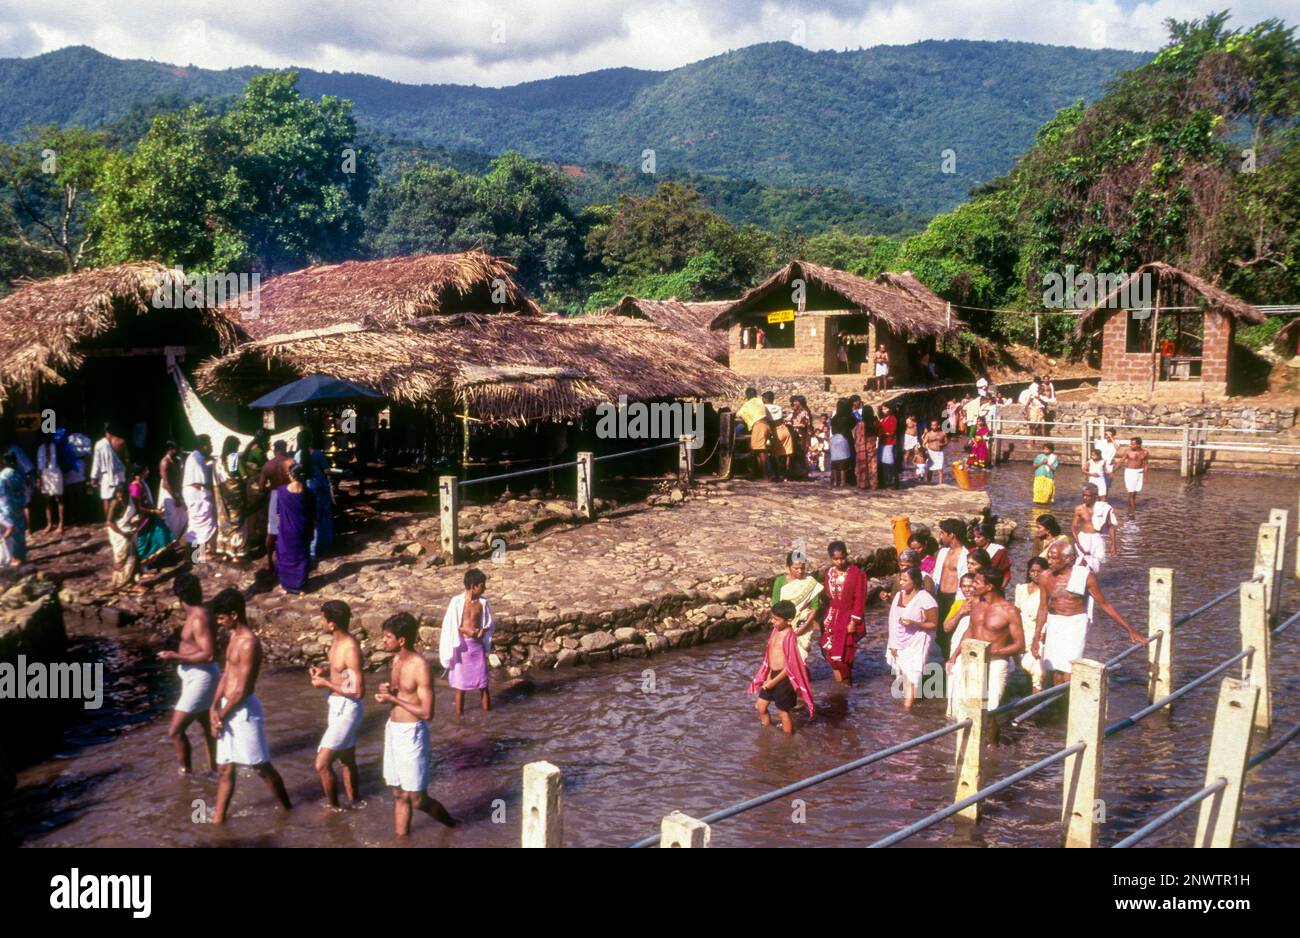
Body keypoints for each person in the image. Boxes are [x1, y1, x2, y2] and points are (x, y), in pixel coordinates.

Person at [208, 589, 292, 823]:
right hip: (226, 707)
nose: (219, 622)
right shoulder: (233, 637)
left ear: (234, 615)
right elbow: (226, 675)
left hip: (244, 710)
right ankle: (218, 820)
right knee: (225, 768)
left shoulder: (249, 643)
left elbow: (243, 689)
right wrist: (213, 706)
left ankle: (288, 809)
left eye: (222, 617)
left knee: (260, 767)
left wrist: (221, 715)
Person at [376, 612, 457, 836]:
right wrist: (389, 692)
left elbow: (427, 713)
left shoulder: (419, 666)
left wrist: (393, 698)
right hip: (392, 730)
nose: (383, 641)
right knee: (398, 795)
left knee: (417, 799)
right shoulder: (396, 660)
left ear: (401, 640)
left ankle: (453, 826)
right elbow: (404, 694)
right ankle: (402, 841)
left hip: (412, 734)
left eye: (387, 637)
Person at [1034, 541, 1146, 687]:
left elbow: (1104, 604)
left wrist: (1130, 630)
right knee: (1056, 671)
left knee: (1070, 669)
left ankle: (1072, 702)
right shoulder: (1045, 577)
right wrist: (1036, 638)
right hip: (1055, 624)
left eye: (1054, 558)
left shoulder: (1085, 576)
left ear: (1067, 559)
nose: (1049, 562)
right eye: (1049, 557)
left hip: (1075, 625)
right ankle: (1060, 704)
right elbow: (1043, 608)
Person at [158, 574, 219, 774]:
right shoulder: (198, 613)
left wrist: (175, 655)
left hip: (201, 677)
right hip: (195, 676)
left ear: (178, 595)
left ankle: (186, 773)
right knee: (207, 728)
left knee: (175, 731)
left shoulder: (199, 616)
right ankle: (215, 771)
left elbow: (209, 654)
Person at [309, 600, 363, 808]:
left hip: (348, 709)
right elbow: (342, 674)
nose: (320, 621)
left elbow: (358, 691)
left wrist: (325, 683)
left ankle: (334, 809)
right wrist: (324, 673)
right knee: (346, 759)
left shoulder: (350, 648)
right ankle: (355, 803)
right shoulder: (336, 641)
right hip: (336, 705)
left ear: (332, 624)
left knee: (321, 764)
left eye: (322, 618)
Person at [959, 569, 1026, 736]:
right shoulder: (976, 605)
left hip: (996, 663)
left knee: (990, 710)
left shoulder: (1009, 610)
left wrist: (996, 651)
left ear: (989, 586)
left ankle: (993, 749)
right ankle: (971, 746)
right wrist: (955, 656)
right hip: (974, 662)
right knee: (969, 706)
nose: (973, 585)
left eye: (977, 582)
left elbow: (1020, 645)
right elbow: (969, 631)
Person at [749, 600, 815, 734]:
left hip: (783, 679)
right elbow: (770, 656)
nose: (772, 622)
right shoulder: (775, 631)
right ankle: (766, 732)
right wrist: (768, 677)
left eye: (776, 619)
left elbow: (790, 667)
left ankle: (787, 740)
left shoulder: (789, 637)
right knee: (760, 707)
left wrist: (772, 682)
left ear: (789, 621)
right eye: (772, 618)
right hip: (772, 675)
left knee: (783, 712)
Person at [439, 568, 495, 715]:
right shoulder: (456, 602)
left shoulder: (483, 603)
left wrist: (483, 631)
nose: (484, 588)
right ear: (473, 586)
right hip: (462, 647)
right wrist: (466, 631)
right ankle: (459, 718)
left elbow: (489, 623)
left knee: (484, 684)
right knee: (460, 687)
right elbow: (451, 625)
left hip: (477, 647)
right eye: (482, 585)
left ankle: (488, 716)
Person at [886, 567, 939, 711]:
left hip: (918, 640)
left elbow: (934, 624)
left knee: (913, 674)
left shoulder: (926, 599)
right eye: (900, 579)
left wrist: (915, 623)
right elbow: (892, 620)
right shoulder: (898, 596)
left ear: (915, 581)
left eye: (905, 580)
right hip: (900, 641)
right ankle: (908, 707)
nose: (901, 583)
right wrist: (893, 644)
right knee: (905, 674)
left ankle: (907, 710)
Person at [821, 540, 866, 684]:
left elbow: (860, 599)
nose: (839, 561)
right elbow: (826, 597)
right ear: (831, 558)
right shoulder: (828, 573)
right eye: (835, 559)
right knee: (831, 653)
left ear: (846, 555)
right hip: (832, 617)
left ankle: (846, 685)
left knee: (844, 656)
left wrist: (854, 621)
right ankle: (839, 686)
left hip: (847, 617)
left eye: (842, 558)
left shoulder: (857, 574)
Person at [771, 550, 824, 664]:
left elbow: (815, 607)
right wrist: (784, 624)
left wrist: (804, 626)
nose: (800, 571)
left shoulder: (810, 582)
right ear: (788, 567)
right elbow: (775, 605)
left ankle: (800, 679)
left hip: (803, 623)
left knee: (801, 658)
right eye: (796, 568)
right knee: (782, 657)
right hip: (783, 624)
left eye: (802, 568)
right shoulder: (780, 582)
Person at [275, 464, 316, 595]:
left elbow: (278, 512)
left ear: (291, 475)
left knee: (285, 555)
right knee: (302, 556)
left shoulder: (281, 491)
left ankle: (286, 585)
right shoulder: (308, 492)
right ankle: (300, 587)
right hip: (303, 527)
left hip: (286, 528)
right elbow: (313, 514)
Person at [943, 572, 979, 719]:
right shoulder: (958, 604)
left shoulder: (982, 604)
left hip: (975, 648)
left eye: (970, 586)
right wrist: (961, 612)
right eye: (964, 586)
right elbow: (946, 627)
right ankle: (954, 717)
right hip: (956, 644)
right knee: (955, 681)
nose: (967, 590)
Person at [932, 519, 970, 655]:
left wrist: (961, 603)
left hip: (955, 598)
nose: (940, 536)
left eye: (942, 533)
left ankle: (951, 661)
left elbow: (965, 579)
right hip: (940, 596)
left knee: (951, 632)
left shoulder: (965, 555)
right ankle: (944, 661)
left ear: (952, 535)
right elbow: (936, 575)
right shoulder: (943, 552)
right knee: (939, 633)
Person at [129, 464, 175, 573]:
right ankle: (197, 558)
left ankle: (154, 561)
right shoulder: (136, 487)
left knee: (161, 535)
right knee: (143, 543)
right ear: (140, 473)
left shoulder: (141, 484)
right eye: (146, 469)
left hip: (149, 516)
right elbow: (138, 506)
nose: (148, 471)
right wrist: (153, 511)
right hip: (142, 519)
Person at [296, 429, 334, 559]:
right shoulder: (318, 454)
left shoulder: (297, 455)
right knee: (323, 516)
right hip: (319, 488)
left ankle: (310, 548)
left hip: (305, 489)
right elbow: (327, 470)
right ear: (311, 440)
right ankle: (325, 544)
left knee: (309, 518)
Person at [1014, 557, 1050, 692]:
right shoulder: (1021, 589)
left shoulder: (1046, 592)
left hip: (1038, 633)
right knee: (1024, 668)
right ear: (1029, 573)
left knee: (1037, 673)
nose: (1036, 574)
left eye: (1039, 571)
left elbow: (1046, 614)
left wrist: (1041, 634)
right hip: (1022, 632)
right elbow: (1016, 612)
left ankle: (1037, 700)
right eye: (1033, 571)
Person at [260, 440, 294, 573]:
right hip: (290, 493)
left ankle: (269, 560)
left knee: (272, 530)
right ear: (285, 448)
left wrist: (271, 488)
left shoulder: (268, 465)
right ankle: (288, 559)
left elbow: (261, 487)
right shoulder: (291, 463)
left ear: (275, 450)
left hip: (275, 495)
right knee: (290, 527)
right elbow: (299, 480)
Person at [106, 484, 146, 593]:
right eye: (118, 496)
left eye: (122, 496)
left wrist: (136, 519)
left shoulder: (133, 500)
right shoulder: (114, 503)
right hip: (118, 532)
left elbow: (139, 512)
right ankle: (119, 583)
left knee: (133, 557)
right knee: (121, 558)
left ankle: (132, 583)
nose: (121, 498)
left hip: (130, 529)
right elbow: (109, 522)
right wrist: (123, 533)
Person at [183, 435, 217, 562]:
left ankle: (199, 556)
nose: (211, 447)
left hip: (196, 494)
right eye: (210, 444)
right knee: (198, 526)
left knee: (201, 526)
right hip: (197, 495)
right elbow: (200, 482)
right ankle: (192, 557)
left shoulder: (197, 457)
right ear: (203, 446)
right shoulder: (197, 458)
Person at [1072, 483, 1118, 573]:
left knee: (1097, 564)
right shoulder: (1079, 509)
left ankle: (1095, 583)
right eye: (1083, 495)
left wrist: (1113, 545)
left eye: (1088, 496)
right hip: (1083, 538)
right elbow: (1073, 528)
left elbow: (1111, 527)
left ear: (1095, 496)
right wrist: (1078, 543)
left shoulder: (1104, 508)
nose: (1085, 498)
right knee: (1081, 564)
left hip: (1098, 537)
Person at [240, 429, 271, 554]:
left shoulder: (252, 448)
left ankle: (195, 559)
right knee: (200, 531)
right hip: (255, 485)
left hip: (251, 485)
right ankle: (195, 558)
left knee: (202, 530)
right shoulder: (257, 450)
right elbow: (265, 465)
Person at [90, 423, 128, 521]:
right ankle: (122, 520)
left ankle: (109, 523)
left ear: (105, 430)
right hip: (119, 474)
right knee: (121, 497)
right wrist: (129, 473)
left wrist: (94, 477)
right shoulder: (121, 441)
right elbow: (126, 460)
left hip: (106, 476)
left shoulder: (99, 444)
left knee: (106, 499)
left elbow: (96, 462)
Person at [0, 452, 27, 567]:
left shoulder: (3, 475)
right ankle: (21, 556)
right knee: (20, 531)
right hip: (18, 505)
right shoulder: (18, 473)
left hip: (7, 506)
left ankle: (12, 557)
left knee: (10, 531)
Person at [157, 441, 188, 541]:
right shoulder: (165, 462)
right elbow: (166, 483)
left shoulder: (176, 461)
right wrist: (176, 497)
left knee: (183, 518)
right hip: (169, 494)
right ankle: (170, 546)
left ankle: (177, 542)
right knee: (172, 522)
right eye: (176, 449)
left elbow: (179, 479)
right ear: (170, 449)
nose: (178, 451)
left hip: (177, 493)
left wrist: (180, 495)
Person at [36, 432, 64, 536]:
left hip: (55, 473)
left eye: (48, 436)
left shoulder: (56, 447)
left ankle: (61, 524)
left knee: (59, 499)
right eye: (44, 436)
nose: (46, 438)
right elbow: (39, 465)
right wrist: (39, 479)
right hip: (45, 474)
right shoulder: (40, 448)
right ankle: (49, 523)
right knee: (46, 500)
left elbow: (61, 460)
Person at [828, 399, 854, 488]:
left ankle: (836, 481)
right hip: (845, 439)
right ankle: (845, 481)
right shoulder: (849, 417)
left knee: (835, 462)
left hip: (834, 440)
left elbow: (832, 429)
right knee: (844, 462)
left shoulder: (835, 417)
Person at [1120, 437, 1149, 512]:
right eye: (1131, 444)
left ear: (1139, 445)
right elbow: (1121, 461)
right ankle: (1133, 511)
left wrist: (1145, 477)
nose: (1131, 445)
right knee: (1131, 493)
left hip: (1139, 472)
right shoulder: (1128, 452)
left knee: (1135, 493)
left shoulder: (1145, 452)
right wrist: (1113, 471)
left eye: (1133, 444)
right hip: (1130, 472)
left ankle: (1129, 508)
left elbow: (1145, 465)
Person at [854, 404, 879, 490]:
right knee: (873, 464)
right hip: (872, 444)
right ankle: (874, 484)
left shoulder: (860, 424)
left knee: (863, 464)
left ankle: (863, 483)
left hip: (863, 446)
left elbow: (856, 437)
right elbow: (879, 432)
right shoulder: (875, 422)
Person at [877, 403, 899, 488]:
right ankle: (885, 481)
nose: (884, 411)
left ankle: (892, 482)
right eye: (883, 409)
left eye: (885, 409)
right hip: (882, 442)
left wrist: (883, 433)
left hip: (889, 442)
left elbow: (892, 432)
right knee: (883, 462)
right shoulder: (883, 419)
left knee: (889, 463)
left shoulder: (892, 419)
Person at [922, 419, 947, 484]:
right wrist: (926, 451)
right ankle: (928, 482)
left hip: (939, 453)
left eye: (934, 425)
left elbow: (946, 442)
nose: (933, 426)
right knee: (930, 469)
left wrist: (942, 444)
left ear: (938, 426)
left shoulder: (943, 433)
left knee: (940, 469)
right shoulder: (928, 434)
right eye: (932, 425)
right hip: (931, 452)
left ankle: (941, 484)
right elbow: (924, 444)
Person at [1098, 430, 1118, 494]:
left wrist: (1111, 437)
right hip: (1100, 465)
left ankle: (1104, 501)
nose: (1107, 436)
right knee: (1098, 483)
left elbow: (1117, 447)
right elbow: (1097, 453)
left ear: (1113, 436)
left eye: (1109, 435)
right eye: (1106, 435)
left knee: (1107, 485)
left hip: (1109, 466)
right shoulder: (1101, 442)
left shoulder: (1116, 443)